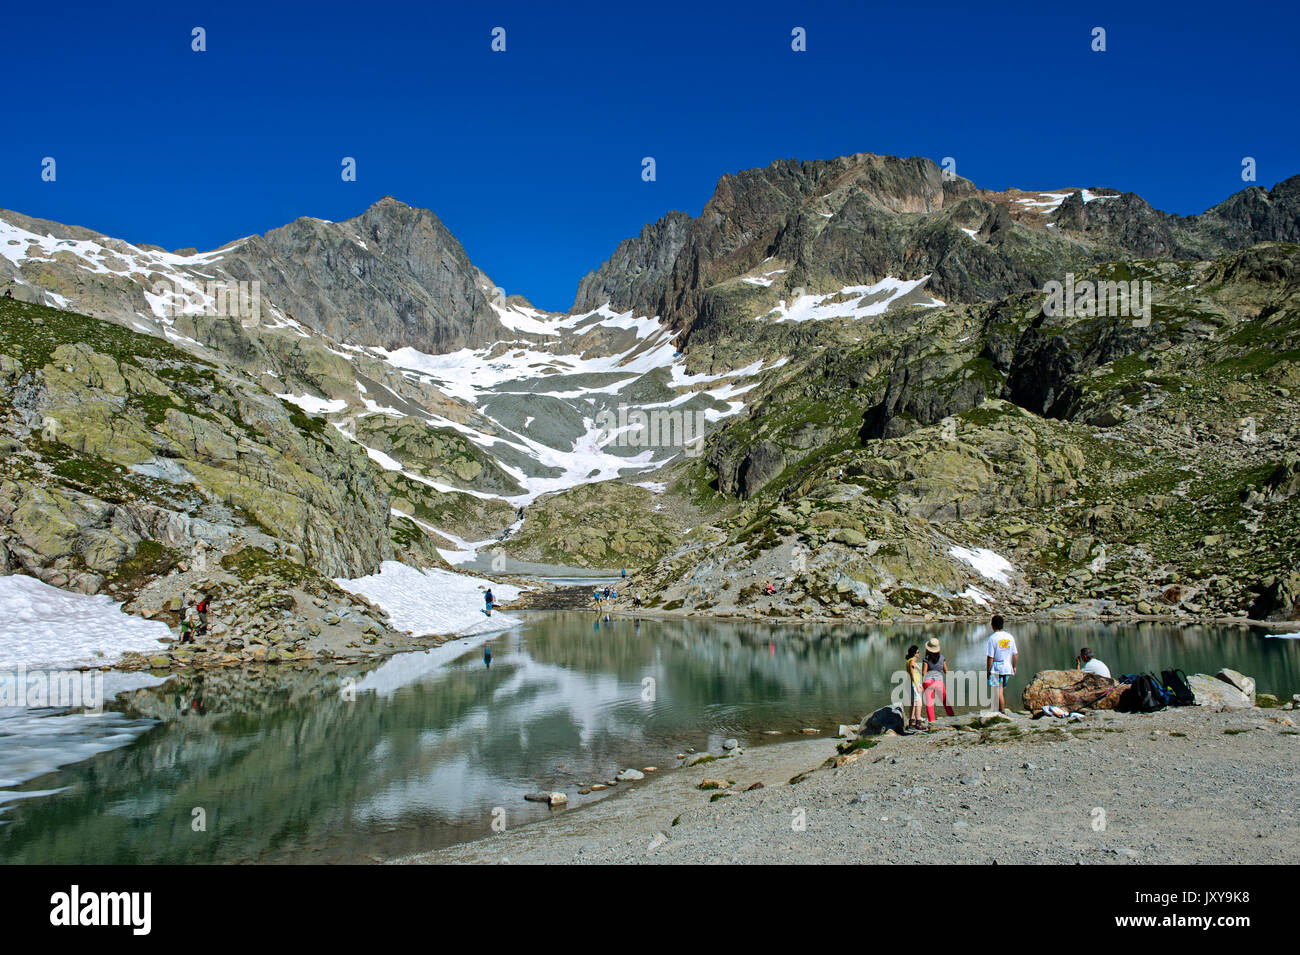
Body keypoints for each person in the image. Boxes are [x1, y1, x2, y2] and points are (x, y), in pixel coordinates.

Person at [985, 614, 1019, 713]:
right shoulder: (1010, 637)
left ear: (992, 625)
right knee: (1000, 690)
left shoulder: (992, 638)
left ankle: (1001, 711)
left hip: (996, 668)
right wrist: (1015, 666)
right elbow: (1015, 654)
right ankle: (1000, 709)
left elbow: (990, 657)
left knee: (997, 690)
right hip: (1007, 667)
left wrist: (988, 670)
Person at [921, 638, 955, 721]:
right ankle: (952, 718)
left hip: (928, 682)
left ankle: (932, 722)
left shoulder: (926, 659)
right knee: (945, 701)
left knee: (930, 704)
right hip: (939, 682)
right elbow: (946, 671)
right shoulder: (942, 658)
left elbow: (924, 673)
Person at [905, 644, 924, 730]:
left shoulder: (909, 660)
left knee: (913, 703)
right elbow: (913, 675)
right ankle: (918, 723)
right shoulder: (912, 661)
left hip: (913, 683)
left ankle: (911, 722)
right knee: (918, 703)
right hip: (914, 683)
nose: (919, 653)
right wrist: (917, 685)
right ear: (914, 653)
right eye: (918, 652)